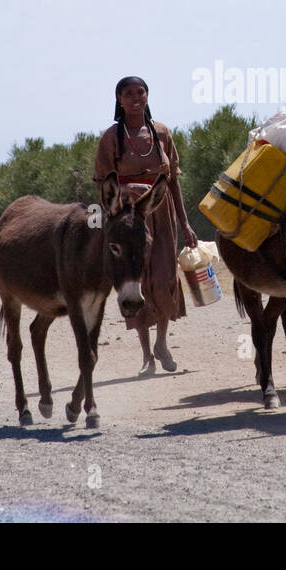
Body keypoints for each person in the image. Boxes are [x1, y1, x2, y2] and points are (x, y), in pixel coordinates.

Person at [94, 76, 197, 375]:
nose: (136, 97)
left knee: (165, 278)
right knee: (135, 280)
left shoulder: (162, 133)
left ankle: (162, 343)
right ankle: (145, 356)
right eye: (129, 93)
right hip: (129, 220)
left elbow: (173, 181)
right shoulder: (111, 137)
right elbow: (104, 184)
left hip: (161, 215)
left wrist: (185, 223)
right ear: (119, 99)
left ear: (148, 96)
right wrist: (111, 221)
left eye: (141, 92)